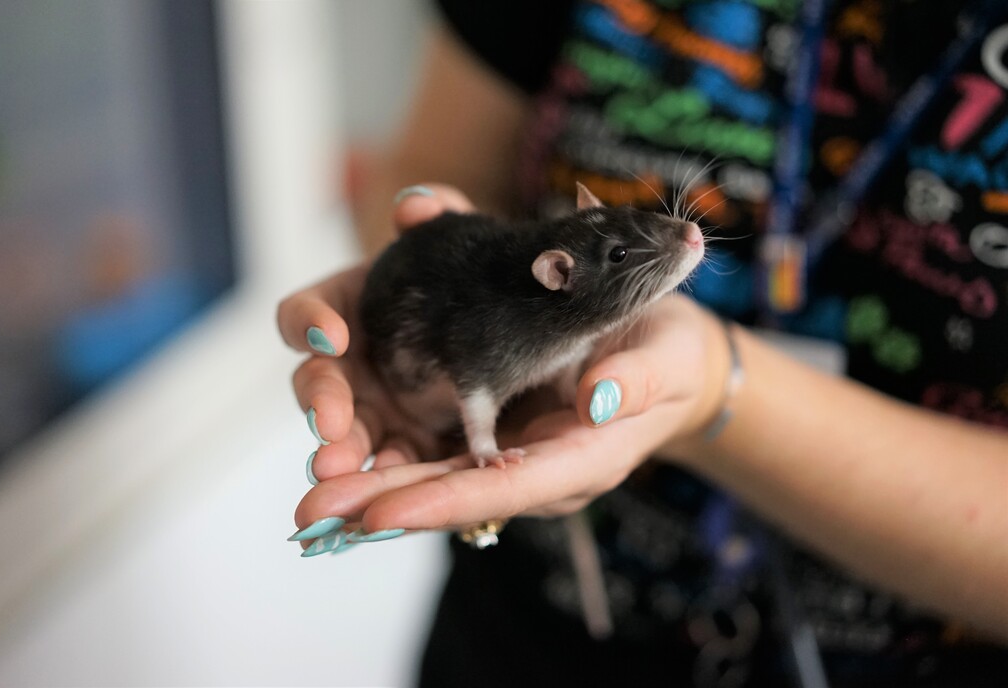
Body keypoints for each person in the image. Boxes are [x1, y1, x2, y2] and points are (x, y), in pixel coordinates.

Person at [277, 1, 1008, 685]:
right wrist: (415, 233)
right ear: (559, 274)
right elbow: (435, 168)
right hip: (528, 643)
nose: (690, 235)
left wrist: (717, 392)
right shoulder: (526, 319)